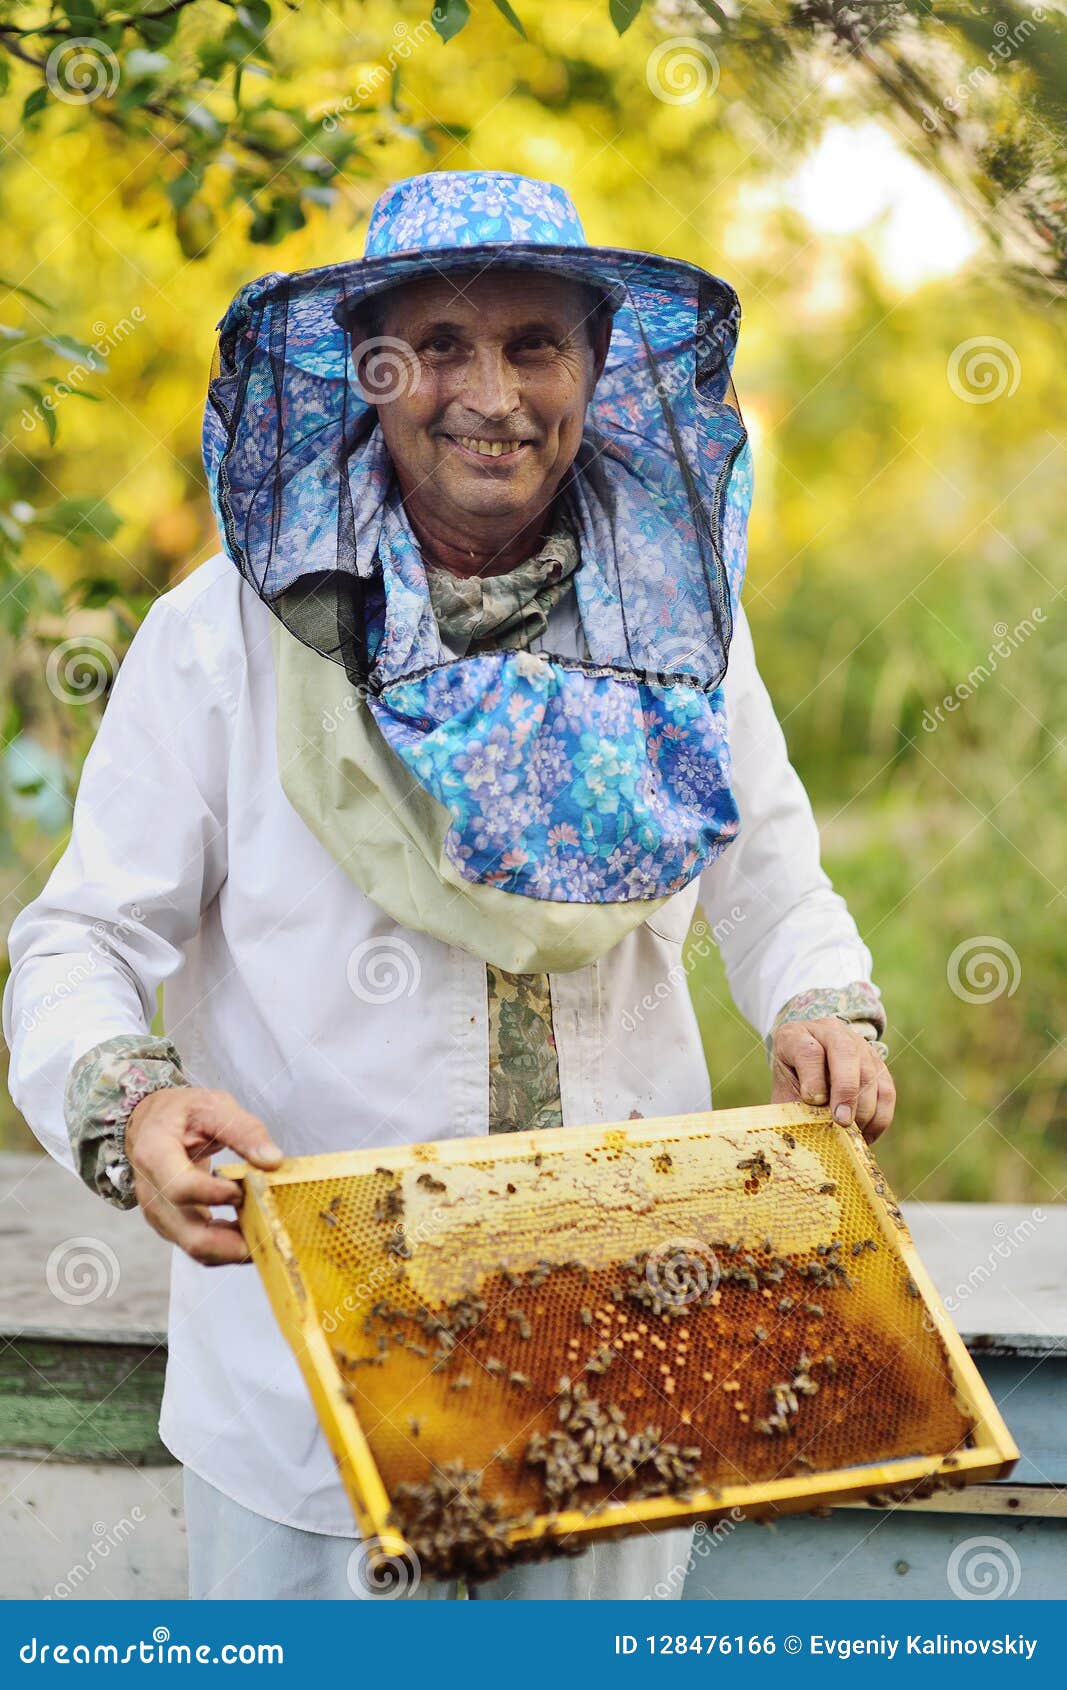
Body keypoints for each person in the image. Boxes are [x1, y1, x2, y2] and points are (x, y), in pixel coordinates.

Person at [2, 169, 894, 1601]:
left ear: (597, 372)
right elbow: (80, 940)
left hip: (622, 1354)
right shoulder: (224, 632)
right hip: (308, 1404)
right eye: (440, 348)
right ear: (371, 375)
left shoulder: (676, 629)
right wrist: (133, 1098)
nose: (493, 392)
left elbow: (775, 882)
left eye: (536, 343)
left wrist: (824, 1009)